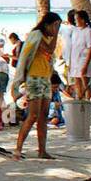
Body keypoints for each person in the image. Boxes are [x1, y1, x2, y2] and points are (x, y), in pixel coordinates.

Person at [11, 11, 62, 160]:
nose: (55, 29)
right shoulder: (37, 36)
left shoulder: (46, 37)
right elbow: (50, 49)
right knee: (33, 115)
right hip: (34, 79)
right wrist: (57, 34)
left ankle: (42, 150)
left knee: (43, 116)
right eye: (54, 26)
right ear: (47, 24)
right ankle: (18, 149)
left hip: (45, 79)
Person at [68, 10, 91, 100]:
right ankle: (79, 100)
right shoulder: (75, 31)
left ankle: (87, 101)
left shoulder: (88, 31)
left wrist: (85, 65)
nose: (75, 21)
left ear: (82, 19)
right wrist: (70, 63)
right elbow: (72, 47)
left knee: (85, 83)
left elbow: (90, 48)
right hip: (75, 60)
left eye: (77, 19)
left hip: (83, 60)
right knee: (77, 82)